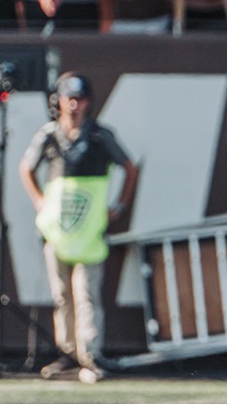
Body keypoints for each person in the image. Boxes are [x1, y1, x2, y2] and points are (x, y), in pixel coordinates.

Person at [20, 74, 140, 382]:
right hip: (58, 232)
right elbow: (26, 167)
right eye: (69, 99)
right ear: (59, 101)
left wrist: (119, 206)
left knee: (86, 293)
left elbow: (129, 167)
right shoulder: (49, 135)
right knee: (62, 294)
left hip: (89, 232)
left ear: (88, 103)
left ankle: (91, 354)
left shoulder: (100, 136)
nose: (74, 106)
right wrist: (39, 201)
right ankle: (68, 353)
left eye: (80, 100)